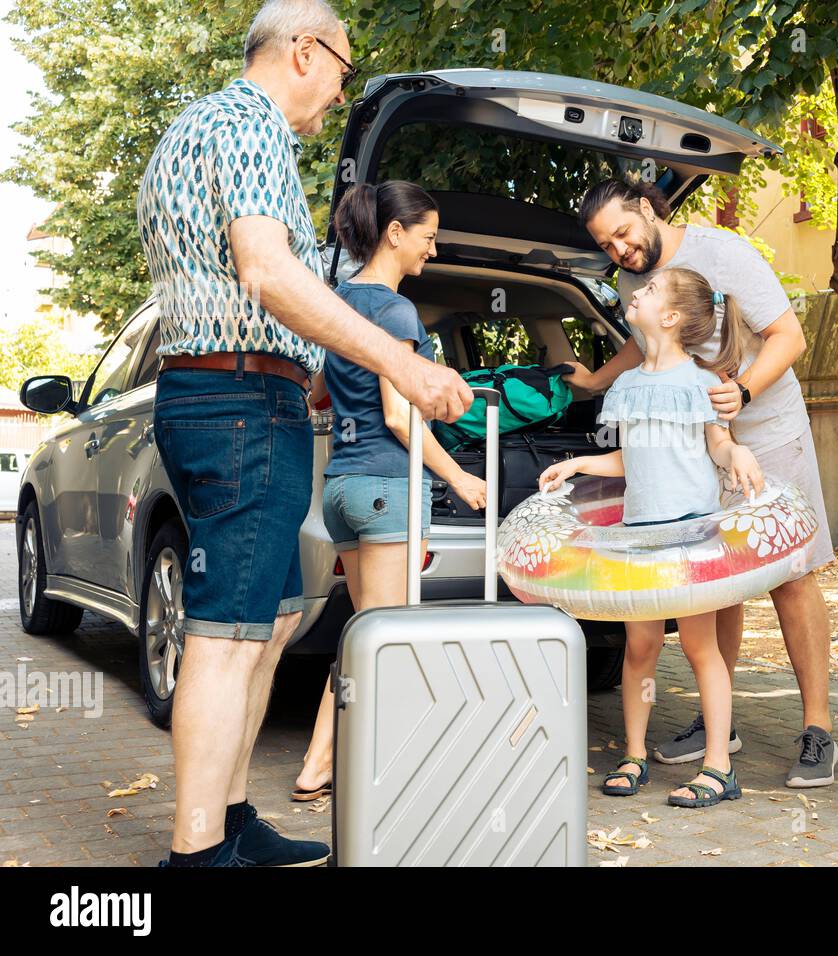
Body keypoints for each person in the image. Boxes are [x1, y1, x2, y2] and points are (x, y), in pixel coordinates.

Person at [136, 0, 472, 867]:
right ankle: (198, 850)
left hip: (252, 398)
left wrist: (314, 378)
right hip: (236, 404)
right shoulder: (247, 125)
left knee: (274, 622)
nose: (337, 96)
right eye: (343, 72)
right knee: (227, 633)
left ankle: (232, 817)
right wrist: (400, 366)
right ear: (303, 51)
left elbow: (251, 288)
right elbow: (268, 270)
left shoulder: (206, 127)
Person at [570, 178, 838, 788]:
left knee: (791, 576)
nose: (619, 250)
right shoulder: (632, 283)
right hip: (698, 441)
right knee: (716, 585)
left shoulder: (725, 254)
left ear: (646, 208)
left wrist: (741, 392)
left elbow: (788, 337)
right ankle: (721, 723)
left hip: (764, 429)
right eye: (606, 245)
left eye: (623, 232)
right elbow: (645, 351)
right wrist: (591, 382)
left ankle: (817, 729)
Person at [292, 181, 489, 801]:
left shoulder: (340, 303)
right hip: (384, 487)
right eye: (428, 237)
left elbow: (317, 392)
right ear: (395, 233)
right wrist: (458, 476)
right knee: (381, 639)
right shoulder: (397, 311)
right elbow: (402, 416)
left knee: (367, 631)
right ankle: (326, 764)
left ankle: (339, 758)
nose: (432, 250)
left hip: (343, 488)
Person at [538, 268, 764, 807]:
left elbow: (717, 445)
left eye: (649, 291)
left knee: (697, 647)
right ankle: (634, 753)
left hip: (689, 533)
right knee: (638, 647)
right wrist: (578, 464)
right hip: (639, 534)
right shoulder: (629, 383)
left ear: (669, 317)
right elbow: (633, 458)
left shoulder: (701, 383)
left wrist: (739, 453)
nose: (634, 292)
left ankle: (718, 765)